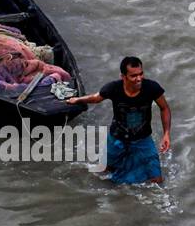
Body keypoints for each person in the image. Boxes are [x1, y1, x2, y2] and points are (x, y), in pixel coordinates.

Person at [67, 56, 171, 184]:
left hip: (142, 139)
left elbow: (164, 108)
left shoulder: (152, 88)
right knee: (104, 171)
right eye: (133, 76)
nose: (139, 79)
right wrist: (77, 99)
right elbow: (96, 98)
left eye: (141, 74)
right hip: (117, 137)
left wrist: (166, 133)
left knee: (156, 179)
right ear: (123, 76)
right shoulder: (114, 88)